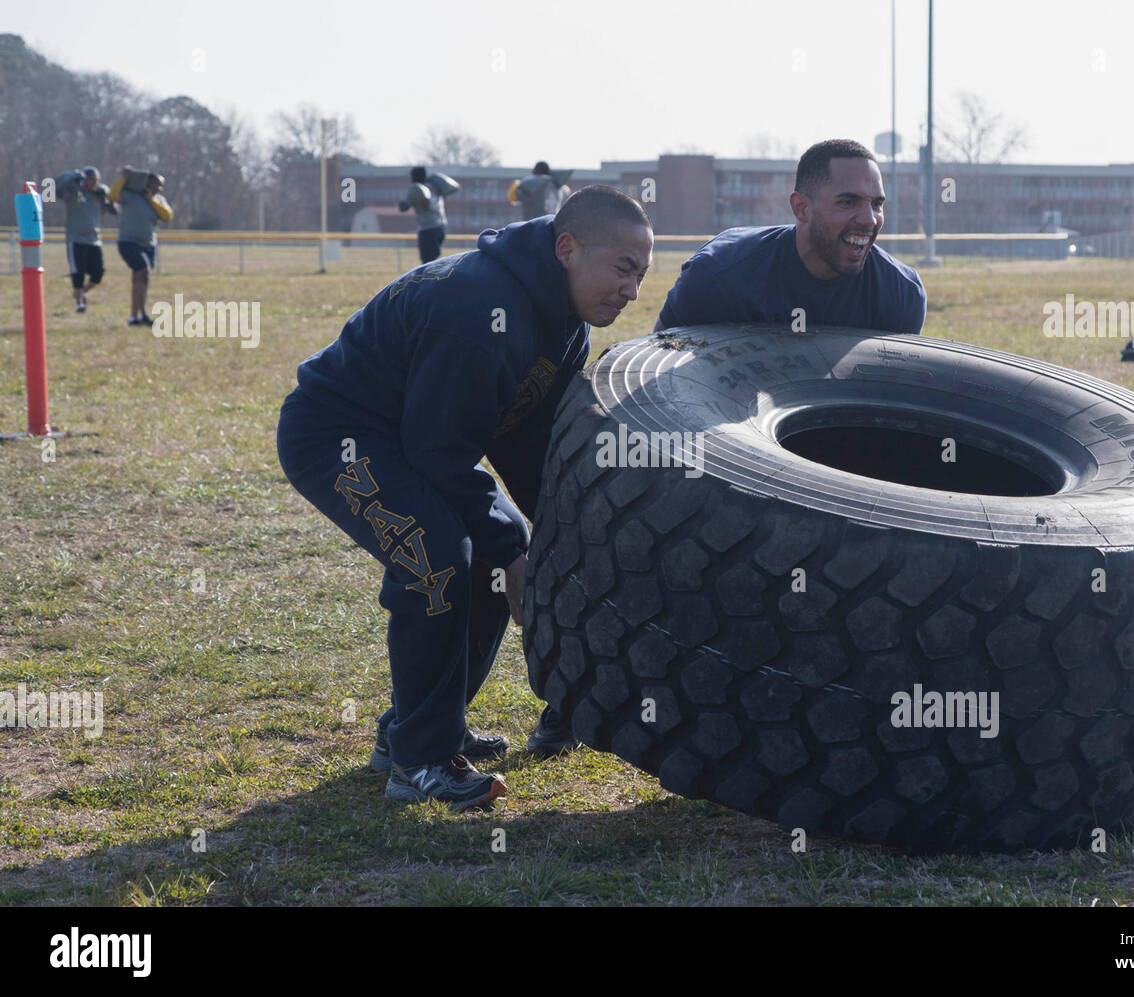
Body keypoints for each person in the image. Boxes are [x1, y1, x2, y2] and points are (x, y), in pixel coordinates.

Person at [276, 186, 653, 811]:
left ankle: (416, 728)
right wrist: (510, 548)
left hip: (414, 443)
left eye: (641, 274)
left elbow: (524, 445)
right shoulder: (480, 310)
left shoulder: (565, 327)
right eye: (623, 268)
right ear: (567, 249)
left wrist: (561, 534)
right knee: (440, 559)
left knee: (493, 564)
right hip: (334, 436)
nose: (633, 290)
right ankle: (419, 760)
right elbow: (437, 454)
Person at [655, 139, 926, 335]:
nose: (869, 219)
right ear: (801, 208)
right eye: (847, 202)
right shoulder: (719, 275)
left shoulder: (900, 294)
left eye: (877, 204)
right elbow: (657, 367)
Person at [107, 167, 172, 326]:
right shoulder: (131, 196)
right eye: (156, 184)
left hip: (148, 244)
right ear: (148, 183)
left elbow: (167, 216)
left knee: (141, 277)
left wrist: (151, 200)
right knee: (142, 270)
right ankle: (135, 315)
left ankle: (138, 315)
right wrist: (124, 179)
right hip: (128, 242)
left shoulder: (159, 201)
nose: (159, 188)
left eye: (161, 186)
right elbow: (113, 195)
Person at [56, 167, 118, 313]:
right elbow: (52, 188)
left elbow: (115, 211)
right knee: (78, 274)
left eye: (95, 181)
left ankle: (82, 292)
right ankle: (80, 303)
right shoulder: (74, 193)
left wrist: (108, 200)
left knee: (97, 274)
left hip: (94, 240)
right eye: (90, 180)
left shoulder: (99, 196)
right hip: (76, 239)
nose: (93, 183)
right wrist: (72, 176)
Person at [399, 166, 460, 263]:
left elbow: (404, 208)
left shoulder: (415, 189)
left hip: (427, 229)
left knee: (427, 262)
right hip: (441, 227)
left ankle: (431, 278)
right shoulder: (435, 186)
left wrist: (403, 203)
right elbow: (453, 188)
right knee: (433, 259)